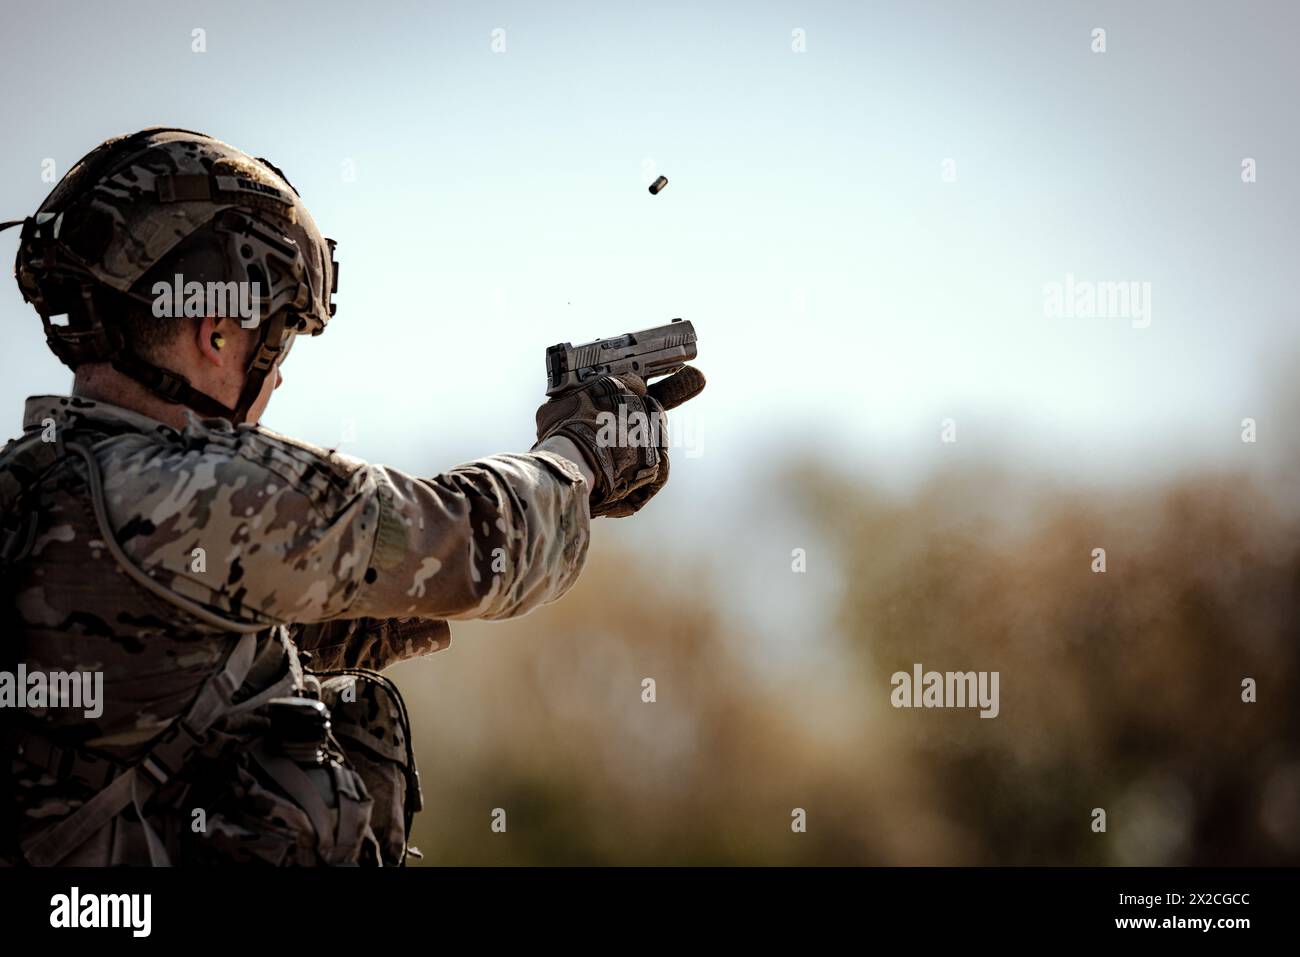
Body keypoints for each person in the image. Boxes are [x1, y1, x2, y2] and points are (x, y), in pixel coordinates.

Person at [0, 127, 704, 866]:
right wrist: (586, 454)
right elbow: (474, 539)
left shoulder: (38, 485)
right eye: (276, 342)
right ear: (216, 332)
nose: (278, 379)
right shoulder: (202, 490)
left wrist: (357, 622)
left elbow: (147, 664)